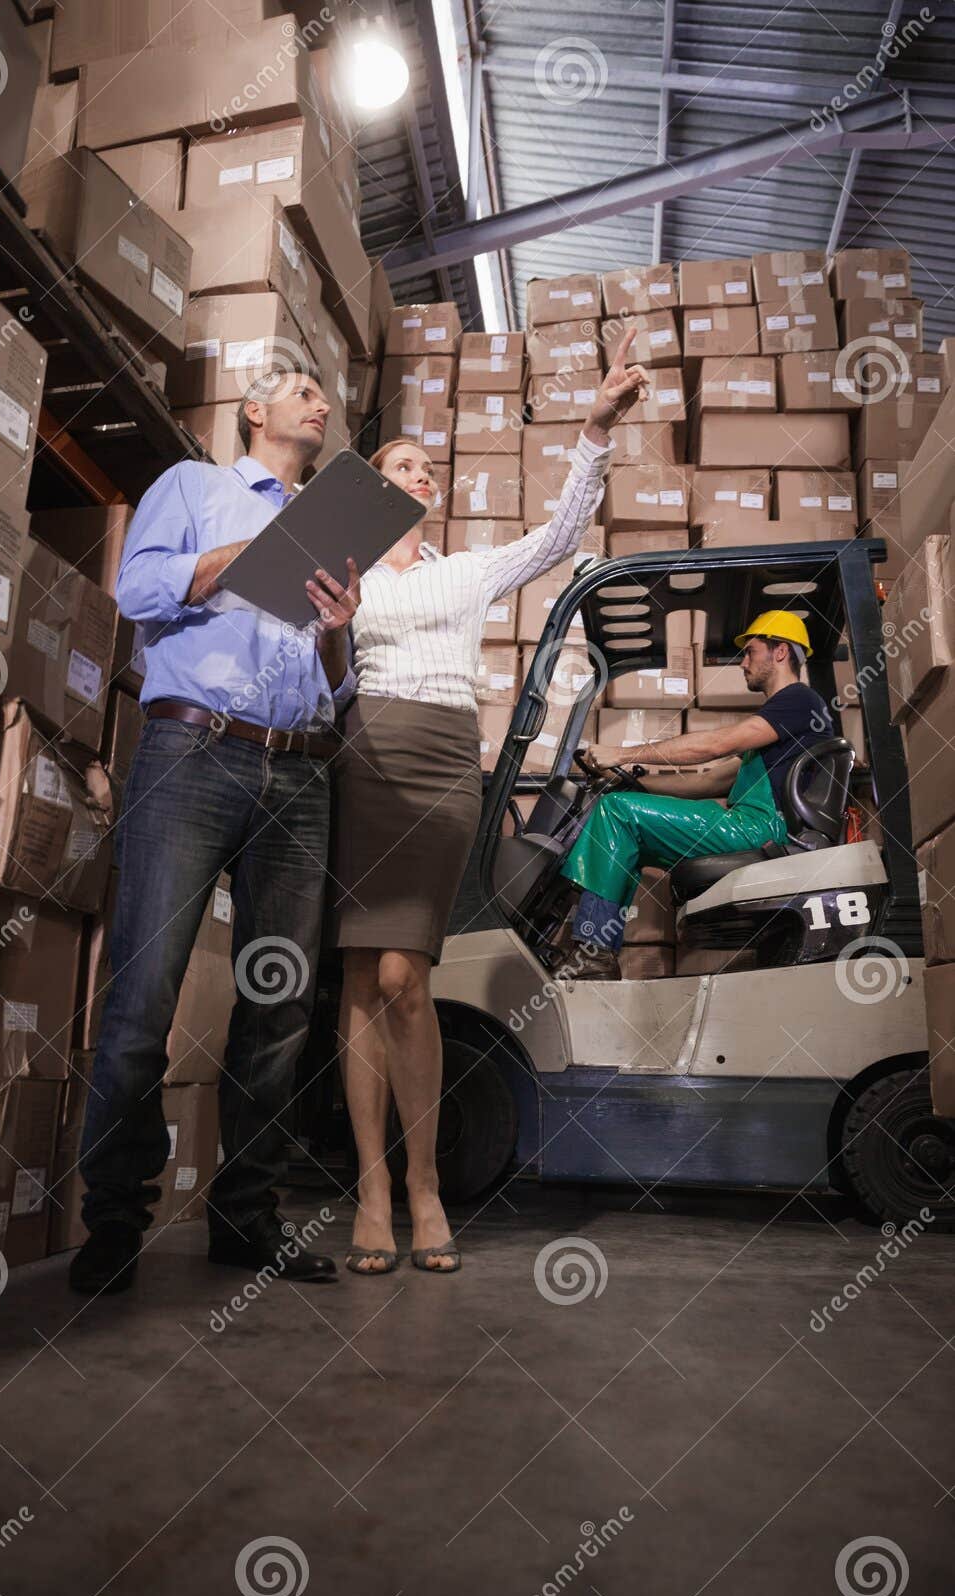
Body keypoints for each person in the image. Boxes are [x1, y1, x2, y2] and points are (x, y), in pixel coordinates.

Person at [330, 324, 650, 1276]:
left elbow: (558, 539)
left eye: (425, 466)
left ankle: (426, 1185)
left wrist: (592, 430)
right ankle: (373, 1191)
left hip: (438, 761)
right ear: (367, 488)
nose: (417, 472)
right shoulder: (335, 574)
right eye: (397, 463)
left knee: (405, 977)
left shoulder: (467, 572)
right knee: (356, 976)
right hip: (362, 755)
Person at [70, 364, 362, 1297]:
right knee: (143, 998)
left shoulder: (335, 521)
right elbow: (139, 593)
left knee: (278, 1011)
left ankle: (247, 1221)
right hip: (194, 753)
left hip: (300, 767)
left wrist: (337, 628)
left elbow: (334, 684)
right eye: (301, 390)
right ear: (254, 410)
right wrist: (242, 554)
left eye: (325, 398)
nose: (319, 405)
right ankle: (114, 1223)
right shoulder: (196, 487)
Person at [548, 610, 831, 980]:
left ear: (780, 653)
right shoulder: (780, 725)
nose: (743, 663)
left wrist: (622, 754)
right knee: (626, 830)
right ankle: (594, 951)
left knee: (616, 813)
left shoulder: (799, 701)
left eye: (751, 651)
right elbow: (709, 781)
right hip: (754, 827)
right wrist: (638, 783)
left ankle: (594, 953)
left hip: (761, 830)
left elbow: (713, 746)